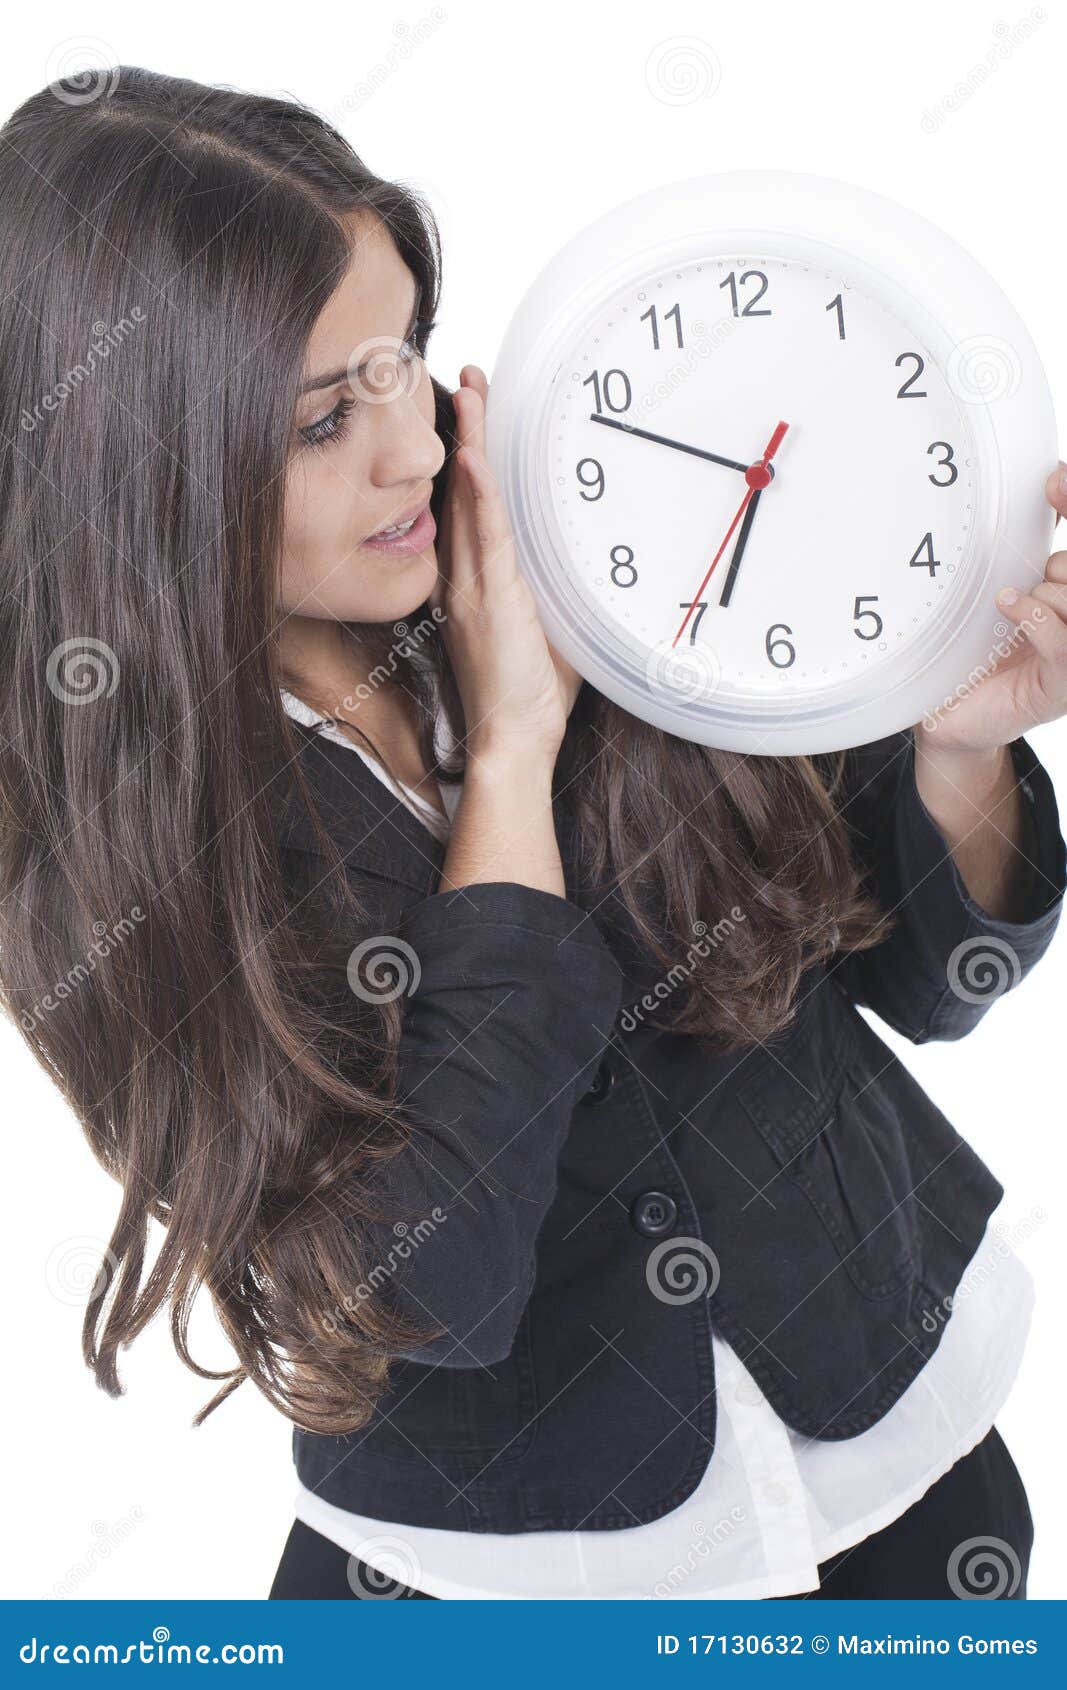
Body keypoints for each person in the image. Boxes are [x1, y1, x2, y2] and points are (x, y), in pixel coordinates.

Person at [0, 67, 1063, 1603]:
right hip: (504, 1572)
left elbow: (925, 984)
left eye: (401, 357)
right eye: (321, 420)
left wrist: (955, 743)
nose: (415, 450)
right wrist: (510, 755)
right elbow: (430, 1278)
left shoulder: (574, 513)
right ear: (133, 475)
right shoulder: (109, 853)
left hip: (900, 1454)